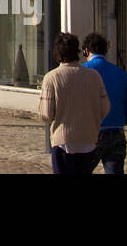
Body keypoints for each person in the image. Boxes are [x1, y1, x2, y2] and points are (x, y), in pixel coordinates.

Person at [39, 32, 110, 174]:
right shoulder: (94, 76)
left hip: (63, 141)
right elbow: (105, 108)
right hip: (89, 140)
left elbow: (46, 114)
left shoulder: (51, 78)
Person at [83, 32, 127, 173]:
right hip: (116, 133)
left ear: (86, 51)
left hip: (91, 133)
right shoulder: (121, 73)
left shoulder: (82, 72)